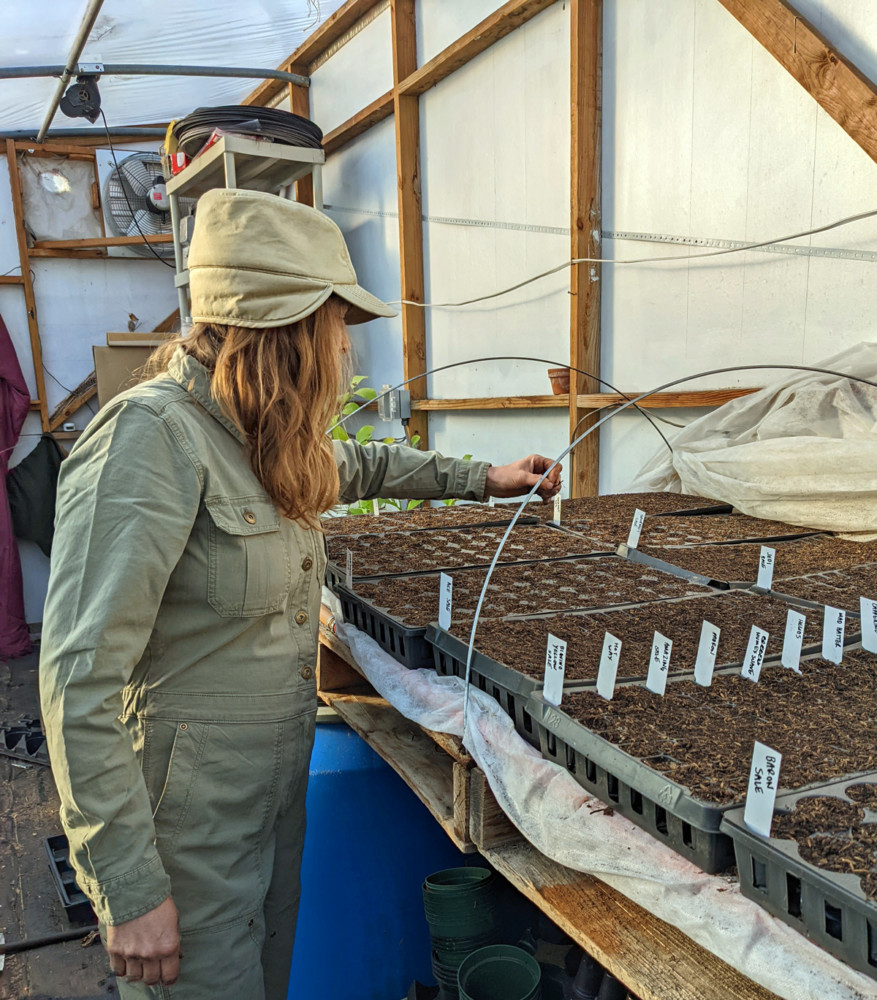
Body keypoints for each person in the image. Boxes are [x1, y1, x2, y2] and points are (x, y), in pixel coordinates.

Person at [40, 188, 562, 999]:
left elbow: (353, 465)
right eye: (331, 326)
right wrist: (130, 889)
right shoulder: (150, 440)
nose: (341, 352)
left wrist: (480, 479)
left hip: (268, 799)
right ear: (281, 327)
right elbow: (79, 682)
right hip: (187, 827)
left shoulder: (259, 429)